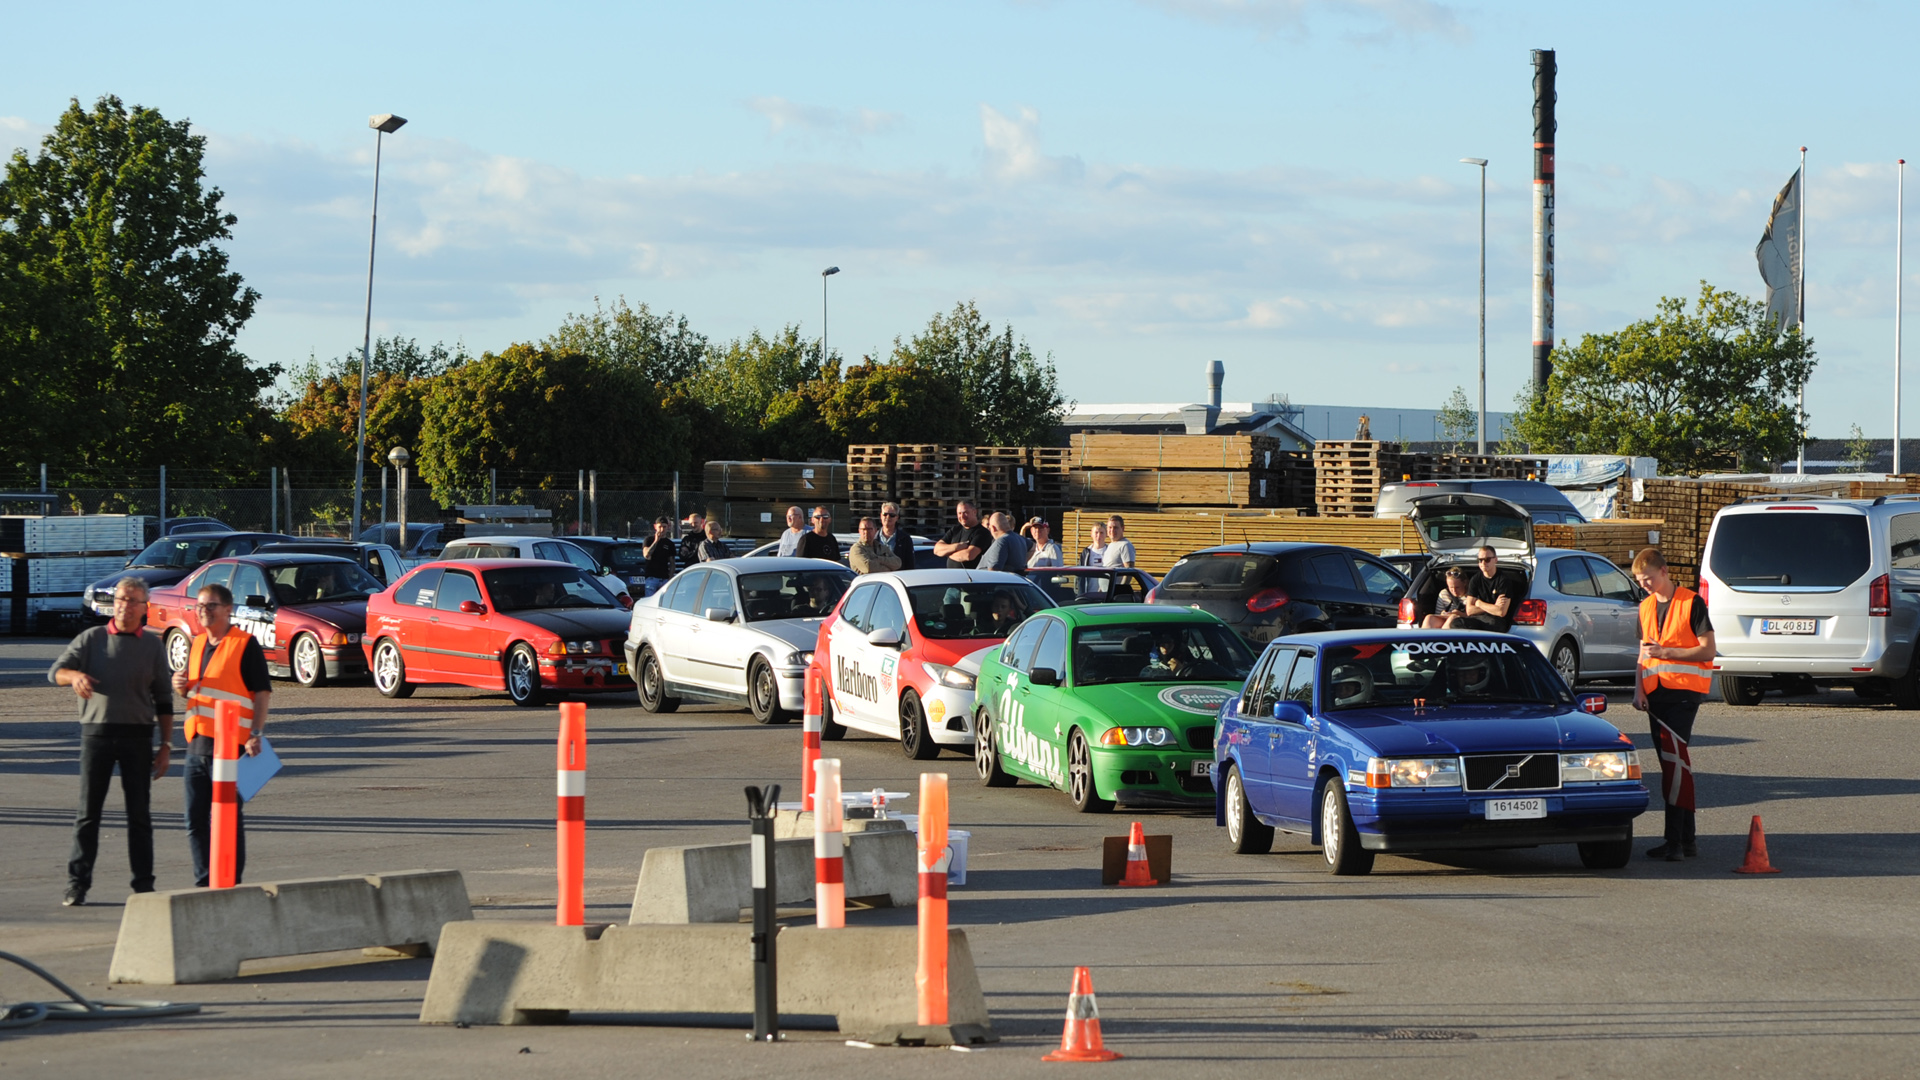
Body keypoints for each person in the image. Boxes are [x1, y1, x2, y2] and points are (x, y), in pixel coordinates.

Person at [49, 578, 174, 907]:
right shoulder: (91, 639)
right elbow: (57, 672)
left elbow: (163, 699)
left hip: (137, 736)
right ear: (112, 602)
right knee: (88, 814)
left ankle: (143, 886)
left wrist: (165, 746)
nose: (125, 605)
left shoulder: (152, 646)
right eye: (121, 599)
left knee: (139, 815)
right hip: (97, 735)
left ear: (144, 607)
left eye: (133, 600)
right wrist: (74, 676)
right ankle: (77, 884)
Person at [174, 582, 273, 888]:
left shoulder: (245, 644)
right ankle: (204, 882)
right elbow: (198, 689)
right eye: (199, 606)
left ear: (228, 610)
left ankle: (230, 882)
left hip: (230, 745)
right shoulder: (198, 643)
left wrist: (256, 733)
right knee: (195, 822)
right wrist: (181, 687)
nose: (202, 611)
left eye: (210, 606)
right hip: (197, 746)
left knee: (227, 820)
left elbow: (262, 694)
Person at [1631, 547, 1716, 863]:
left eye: (1649, 579)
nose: (1646, 585)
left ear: (1664, 572)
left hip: (1684, 694)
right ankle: (1686, 840)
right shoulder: (1645, 607)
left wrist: (1668, 653)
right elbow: (1642, 654)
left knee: (1674, 764)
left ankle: (1675, 842)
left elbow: (1708, 650)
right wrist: (1638, 689)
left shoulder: (1691, 602)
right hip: (1655, 696)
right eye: (1640, 581)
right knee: (1673, 765)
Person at [1452, 546, 1519, 632]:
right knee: (1456, 623)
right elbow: (1469, 610)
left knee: (1493, 624)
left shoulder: (1503, 580)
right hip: (1477, 619)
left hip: (1495, 621)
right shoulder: (1475, 580)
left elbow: (1501, 612)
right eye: (1480, 560)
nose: (1483, 563)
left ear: (1495, 559)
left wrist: (1478, 603)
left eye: (1487, 559)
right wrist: (1493, 606)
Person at [934, 501, 991, 570]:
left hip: (970, 578)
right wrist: (956, 547)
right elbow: (936, 549)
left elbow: (968, 555)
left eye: (965, 513)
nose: (962, 516)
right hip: (952, 577)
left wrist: (947, 553)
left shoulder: (982, 532)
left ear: (974, 512)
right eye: (959, 513)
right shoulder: (955, 529)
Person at [641, 517, 675, 596]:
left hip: (664, 578)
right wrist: (656, 541)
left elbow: (672, 563)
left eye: (664, 527)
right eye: (660, 527)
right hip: (652, 578)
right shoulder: (648, 540)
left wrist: (670, 578)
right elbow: (646, 555)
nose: (662, 529)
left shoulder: (669, 544)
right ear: (655, 526)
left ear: (668, 527)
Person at [878, 502, 916, 571]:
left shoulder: (905, 539)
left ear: (897, 518)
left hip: (896, 578)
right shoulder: (873, 537)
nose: (888, 517)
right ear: (881, 515)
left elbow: (909, 565)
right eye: (885, 514)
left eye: (892, 515)